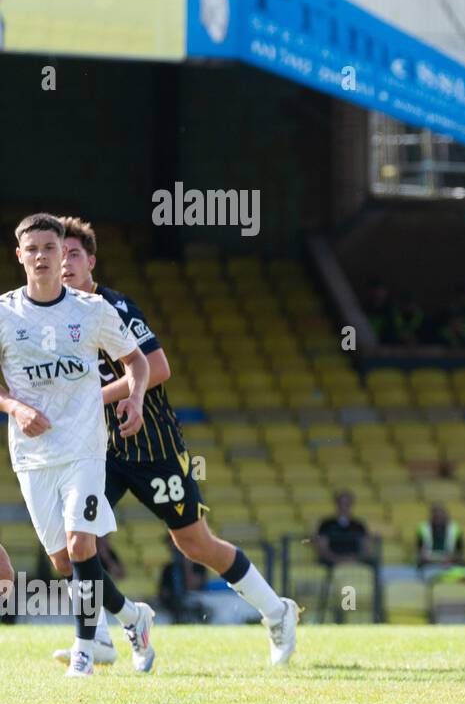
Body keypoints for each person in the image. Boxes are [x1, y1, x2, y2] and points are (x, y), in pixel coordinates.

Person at [52, 217, 299, 667]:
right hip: (100, 451)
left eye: (73, 255)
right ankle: (99, 637)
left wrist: (91, 398)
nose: (64, 264)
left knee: (195, 544)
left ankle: (277, 611)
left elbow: (157, 367)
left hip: (153, 447)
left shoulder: (114, 306)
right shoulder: (58, 316)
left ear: (91, 261)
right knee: (74, 545)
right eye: (58, 255)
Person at [0, 213, 154, 677]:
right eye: (35, 249)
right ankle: (133, 617)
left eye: (54, 248)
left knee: (81, 544)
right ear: (20, 255)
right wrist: (14, 409)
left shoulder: (91, 311)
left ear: (64, 252)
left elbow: (137, 362)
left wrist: (136, 398)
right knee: (65, 561)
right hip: (32, 455)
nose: (45, 257)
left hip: (85, 446)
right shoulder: (4, 313)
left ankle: (85, 652)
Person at [315, 491, 374, 567]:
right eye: (341, 503)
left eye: (347, 504)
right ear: (336, 504)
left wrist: (355, 559)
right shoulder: (326, 524)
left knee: (372, 564)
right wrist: (337, 559)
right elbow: (322, 548)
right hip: (331, 561)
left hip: (355, 560)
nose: (344, 506)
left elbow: (366, 547)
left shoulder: (359, 525)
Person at [416, 504, 464, 568]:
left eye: (441, 515)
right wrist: (425, 558)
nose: (439, 518)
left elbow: (460, 551)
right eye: (436, 516)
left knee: (462, 563)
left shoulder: (455, 528)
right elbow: (419, 551)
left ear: (446, 515)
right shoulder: (423, 528)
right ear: (431, 516)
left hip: (450, 561)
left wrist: (452, 558)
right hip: (428, 561)